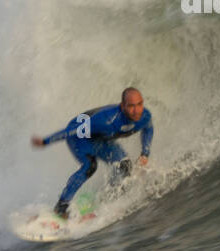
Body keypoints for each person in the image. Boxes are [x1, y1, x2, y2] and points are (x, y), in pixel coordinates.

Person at [31, 87, 153, 219]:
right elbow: (72, 131)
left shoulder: (144, 116)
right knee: (90, 166)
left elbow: (148, 129)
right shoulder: (106, 120)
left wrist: (145, 154)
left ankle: (106, 199)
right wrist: (46, 141)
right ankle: (60, 209)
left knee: (125, 167)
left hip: (102, 138)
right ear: (122, 106)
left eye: (139, 104)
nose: (136, 111)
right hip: (79, 135)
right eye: (131, 106)